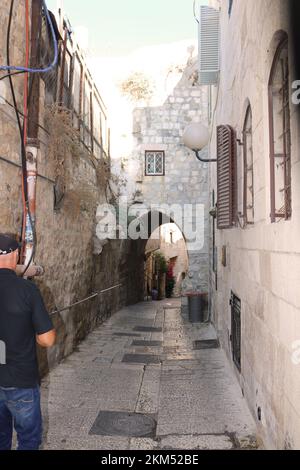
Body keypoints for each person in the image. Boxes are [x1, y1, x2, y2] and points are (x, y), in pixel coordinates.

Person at [0, 234, 56, 450]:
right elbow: (48, 339)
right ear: (16, 255)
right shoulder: (27, 290)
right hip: (20, 380)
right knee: (29, 440)